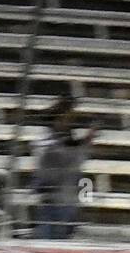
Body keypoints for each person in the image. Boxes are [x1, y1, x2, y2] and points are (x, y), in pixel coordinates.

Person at [33, 102, 96, 240]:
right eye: (66, 118)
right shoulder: (47, 140)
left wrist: (85, 143)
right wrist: (84, 143)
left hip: (68, 197)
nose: (69, 122)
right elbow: (62, 157)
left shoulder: (67, 139)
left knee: (65, 236)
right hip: (52, 198)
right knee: (48, 237)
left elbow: (77, 161)